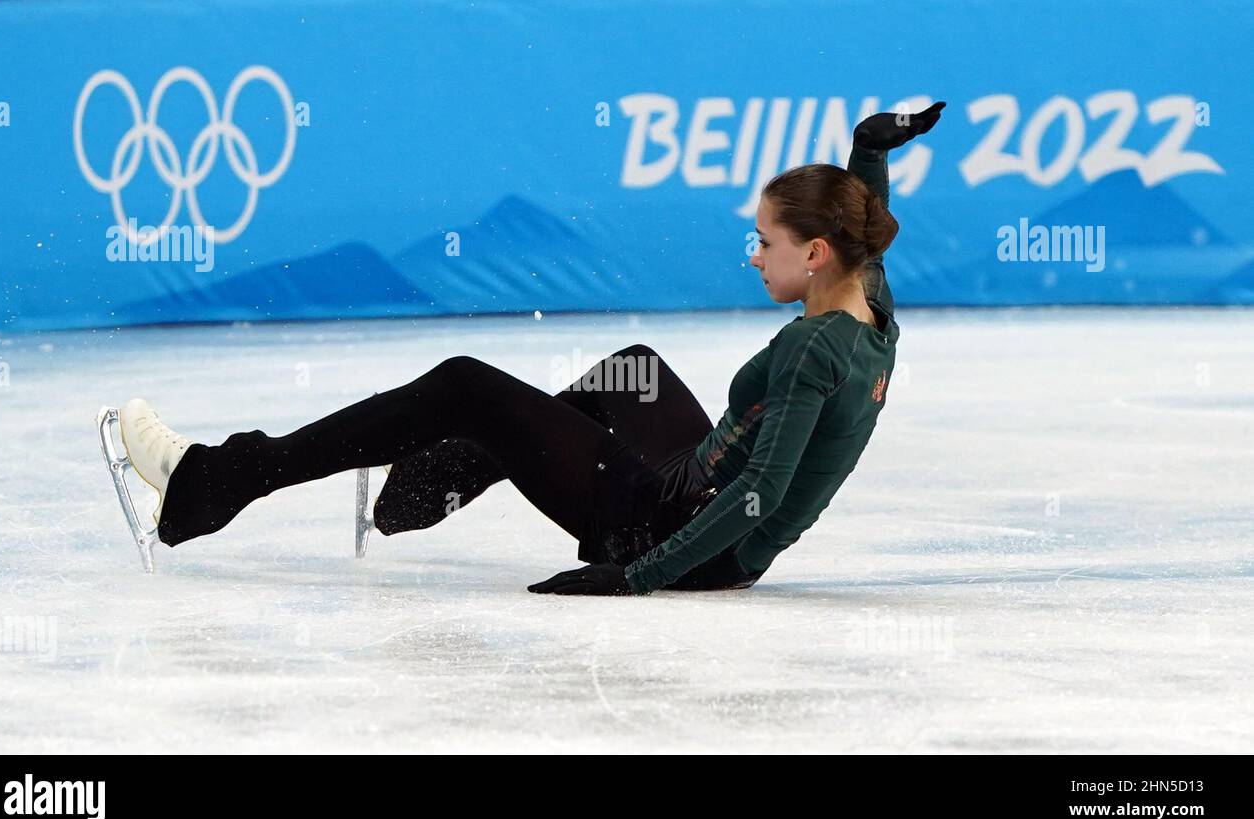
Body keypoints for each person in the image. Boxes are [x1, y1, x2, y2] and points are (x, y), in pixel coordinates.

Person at [113, 102, 946, 596]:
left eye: (763, 241)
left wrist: (637, 575)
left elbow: (760, 495)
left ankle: (208, 482)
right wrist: (870, 147)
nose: (754, 255)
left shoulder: (812, 351)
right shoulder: (872, 304)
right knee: (636, 371)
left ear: (816, 253)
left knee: (465, 384)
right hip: (701, 487)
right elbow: (857, 217)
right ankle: (430, 489)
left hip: (673, 528)